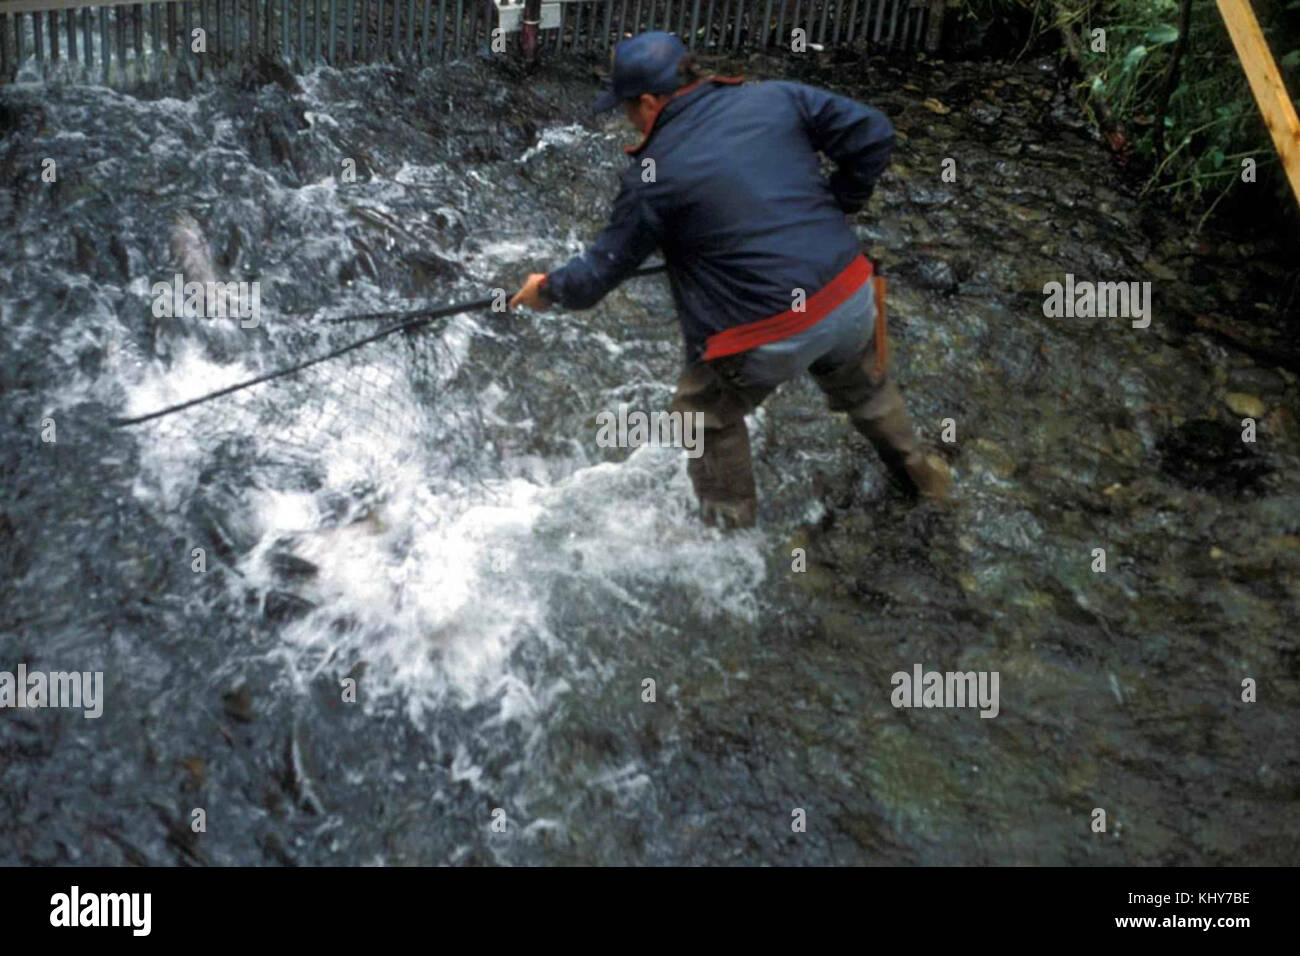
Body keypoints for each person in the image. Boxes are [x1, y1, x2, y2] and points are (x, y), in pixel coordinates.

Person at [509, 31, 951, 529]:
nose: (627, 119)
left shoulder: (650, 178)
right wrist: (839, 201)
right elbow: (873, 133)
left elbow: (597, 276)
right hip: (850, 296)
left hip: (765, 335)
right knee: (867, 392)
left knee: (703, 415)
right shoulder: (776, 96)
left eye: (627, 107)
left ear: (651, 103)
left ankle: (729, 537)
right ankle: (927, 483)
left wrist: (544, 290)